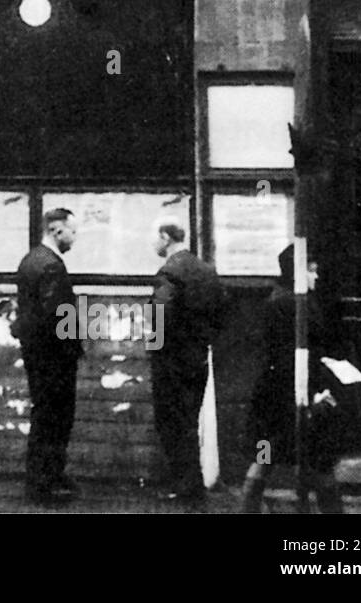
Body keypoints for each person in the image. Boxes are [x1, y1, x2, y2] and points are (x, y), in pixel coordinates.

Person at [239, 245, 344, 513]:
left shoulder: (286, 300)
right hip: (291, 394)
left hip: (278, 393)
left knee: (265, 455)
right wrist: (316, 392)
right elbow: (293, 355)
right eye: (311, 270)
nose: (316, 277)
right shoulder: (292, 304)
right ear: (297, 272)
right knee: (318, 459)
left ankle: (247, 508)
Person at [149, 216, 225, 505]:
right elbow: (222, 310)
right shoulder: (206, 271)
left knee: (171, 423)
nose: (153, 243)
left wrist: (155, 351)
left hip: (171, 361)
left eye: (154, 237)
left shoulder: (169, 272)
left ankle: (185, 485)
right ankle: (191, 485)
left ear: (165, 237)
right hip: (197, 357)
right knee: (189, 421)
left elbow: (159, 317)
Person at [11, 208, 82, 504]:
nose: (75, 238)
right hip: (54, 357)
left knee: (44, 415)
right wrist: (73, 346)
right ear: (56, 230)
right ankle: (46, 483)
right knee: (55, 418)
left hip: (37, 354)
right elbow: (55, 315)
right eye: (72, 232)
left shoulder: (30, 261)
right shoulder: (52, 266)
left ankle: (45, 476)